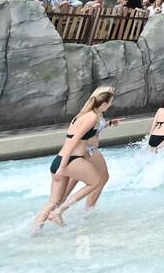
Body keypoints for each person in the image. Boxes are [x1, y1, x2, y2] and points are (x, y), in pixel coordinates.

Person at [32, 86, 115, 231]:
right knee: (96, 182)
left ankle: (35, 230)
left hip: (59, 160)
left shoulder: (81, 116)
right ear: (103, 104)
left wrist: (108, 124)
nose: (111, 105)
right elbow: (73, 142)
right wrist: (63, 167)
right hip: (70, 160)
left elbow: (83, 135)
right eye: (110, 102)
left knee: (54, 201)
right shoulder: (92, 117)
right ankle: (58, 213)